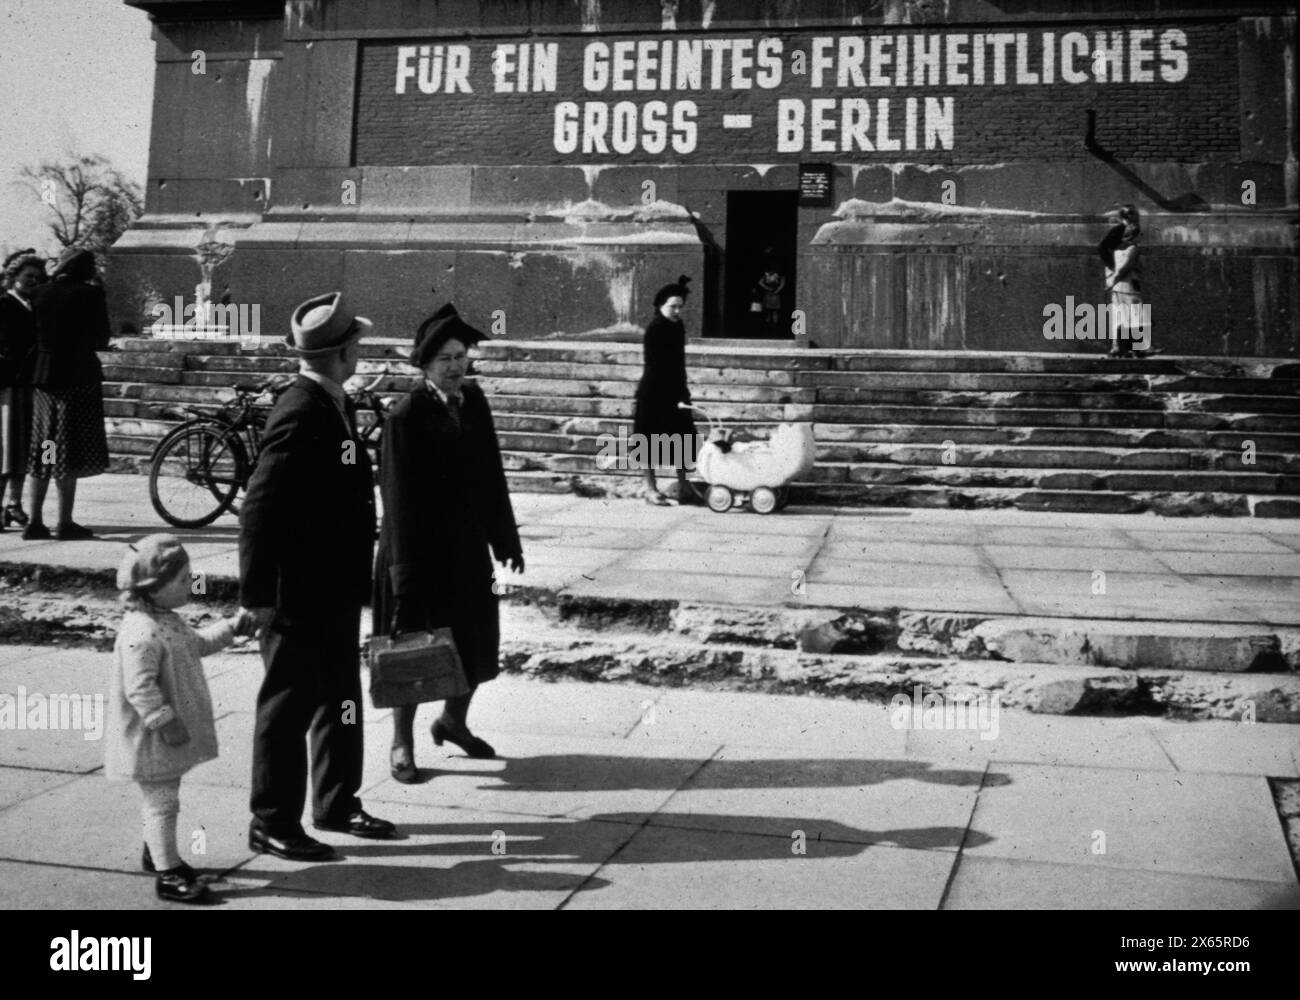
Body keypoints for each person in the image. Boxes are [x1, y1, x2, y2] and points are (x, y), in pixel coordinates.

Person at [239, 291, 395, 860]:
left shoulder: (331, 400)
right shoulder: (301, 409)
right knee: (286, 707)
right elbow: (260, 506)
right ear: (344, 351)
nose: (361, 349)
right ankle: (272, 819)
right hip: (295, 593)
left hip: (330, 589)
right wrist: (257, 595)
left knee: (338, 698)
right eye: (357, 342)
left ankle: (336, 801)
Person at [373, 303, 524, 783]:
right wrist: (404, 580)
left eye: (461, 356)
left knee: (475, 642)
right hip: (416, 554)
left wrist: (505, 539)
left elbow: (490, 476)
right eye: (446, 360)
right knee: (413, 653)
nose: (457, 366)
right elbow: (397, 503)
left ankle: (453, 721)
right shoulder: (405, 415)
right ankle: (402, 742)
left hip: (465, 551)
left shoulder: (474, 402)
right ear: (425, 365)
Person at [106, 533, 254, 903]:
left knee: (162, 799)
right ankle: (168, 874)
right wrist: (165, 721)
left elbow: (198, 645)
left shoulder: (167, 620)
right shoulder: (140, 632)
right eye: (183, 579)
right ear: (153, 587)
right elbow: (139, 688)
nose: (192, 584)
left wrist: (232, 628)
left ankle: (156, 854)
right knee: (163, 803)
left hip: (162, 734)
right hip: (152, 737)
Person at [22, 248, 110, 539]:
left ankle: (34, 520)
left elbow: (33, 336)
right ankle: (64, 521)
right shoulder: (91, 295)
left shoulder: (39, 293)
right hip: (78, 376)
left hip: (46, 377)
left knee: (46, 448)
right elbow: (102, 338)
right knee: (67, 450)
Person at [633, 275, 699, 505]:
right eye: (673, 306)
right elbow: (655, 365)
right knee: (649, 439)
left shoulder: (677, 325)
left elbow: (679, 362)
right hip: (654, 391)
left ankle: (683, 485)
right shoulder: (655, 328)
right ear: (660, 306)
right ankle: (650, 488)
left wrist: (682, 391)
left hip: (676, 389)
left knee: (683, 436)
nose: (677, 311)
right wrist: (669, 391)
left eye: (680, 307)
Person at [0, 250, 44, 530]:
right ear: (13, 276)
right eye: (28, 276)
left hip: (29, 385)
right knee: (5, 447)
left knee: (22, 448)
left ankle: (14, 504)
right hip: (9, 385)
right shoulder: (3, 304)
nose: (33, 281)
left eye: (37, 278)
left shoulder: (34, 305)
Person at [1099, 204, 1158, 358]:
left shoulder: (1119, 250)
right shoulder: (1132, 249)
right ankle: (1142, 347)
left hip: (1117, 285)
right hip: (1128, 284)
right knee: (1137, 316)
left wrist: (1112, 278)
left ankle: (1118, 347)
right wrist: (1114, 272)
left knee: (1119, 316)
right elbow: (1124, 266)